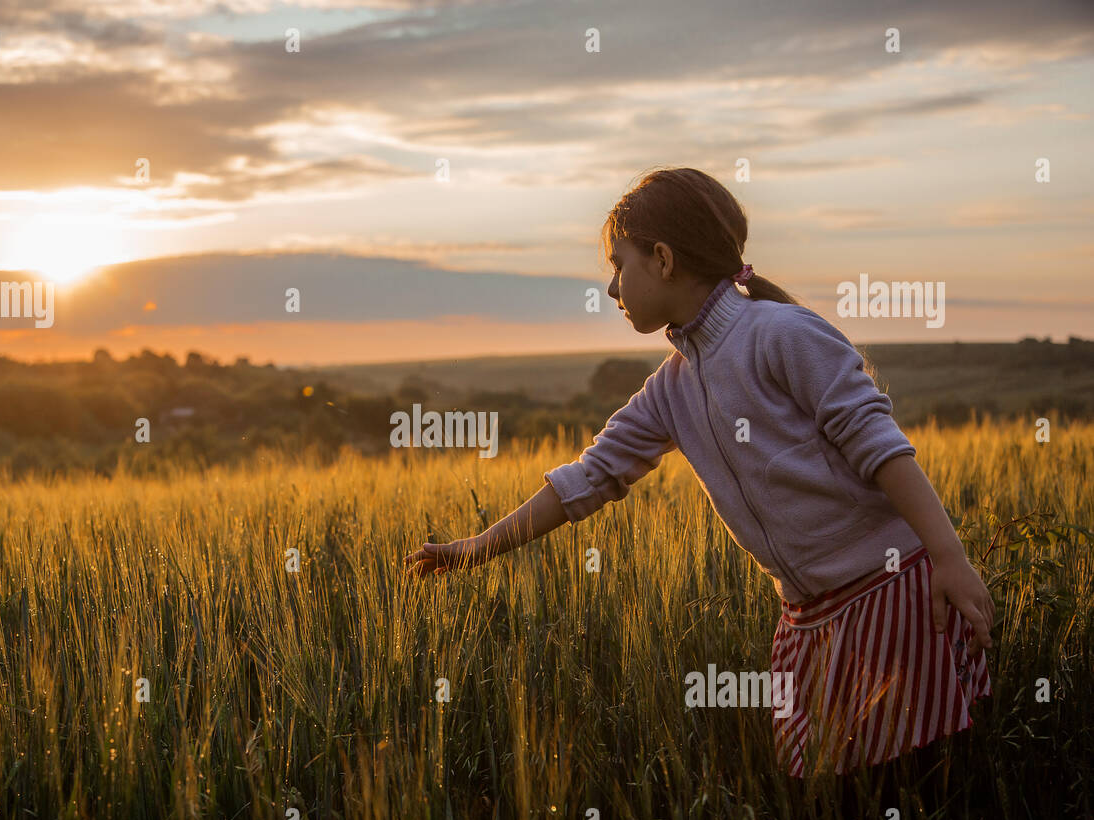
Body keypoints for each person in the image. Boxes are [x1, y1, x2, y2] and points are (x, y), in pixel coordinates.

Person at [403, 166, 993, 781]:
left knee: (924, 802)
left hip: (892, 600)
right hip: (810, 621)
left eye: (618, 264)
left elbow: (879, 444)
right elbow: (588, 479)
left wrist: (948, 557)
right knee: (843, 816)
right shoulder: (672, 388)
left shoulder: (780, 334)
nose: (611, 288)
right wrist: (476, 548)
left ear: (662, 259)